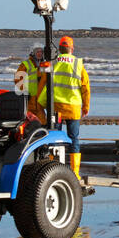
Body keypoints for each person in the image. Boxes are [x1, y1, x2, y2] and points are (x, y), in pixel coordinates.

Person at [36, 36, 92, 180]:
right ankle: (75, 173)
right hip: (73, 108)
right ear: (72, 49)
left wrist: (38, 102)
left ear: (59, 49)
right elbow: (85, 87)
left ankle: (53, 169)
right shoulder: (78, 64)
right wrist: (85, 106)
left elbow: (43, 82)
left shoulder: (53, 62)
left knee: (55, 138)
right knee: (74, 139)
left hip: (56, 107)